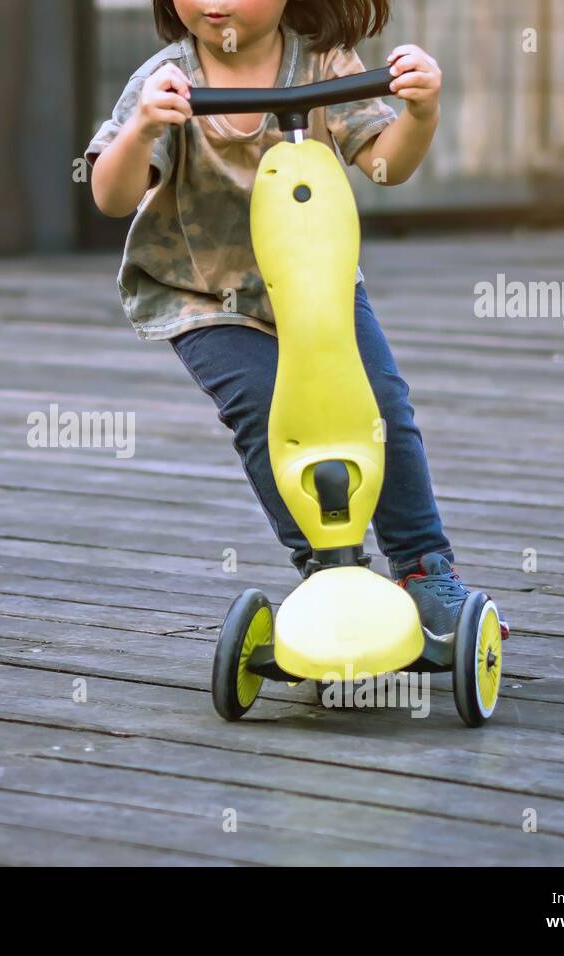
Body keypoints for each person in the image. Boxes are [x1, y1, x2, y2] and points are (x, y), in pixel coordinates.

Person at [86, 0, 470, 640]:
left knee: (380, 408)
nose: (215, 3)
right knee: (268, 414)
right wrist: (143, 129)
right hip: (204, 295)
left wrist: (422, 112)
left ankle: (423, 567)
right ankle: (327, 570)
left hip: (319, 283)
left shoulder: (324, 64)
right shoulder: (166, 79)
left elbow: (385, 165)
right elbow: (110, 195)